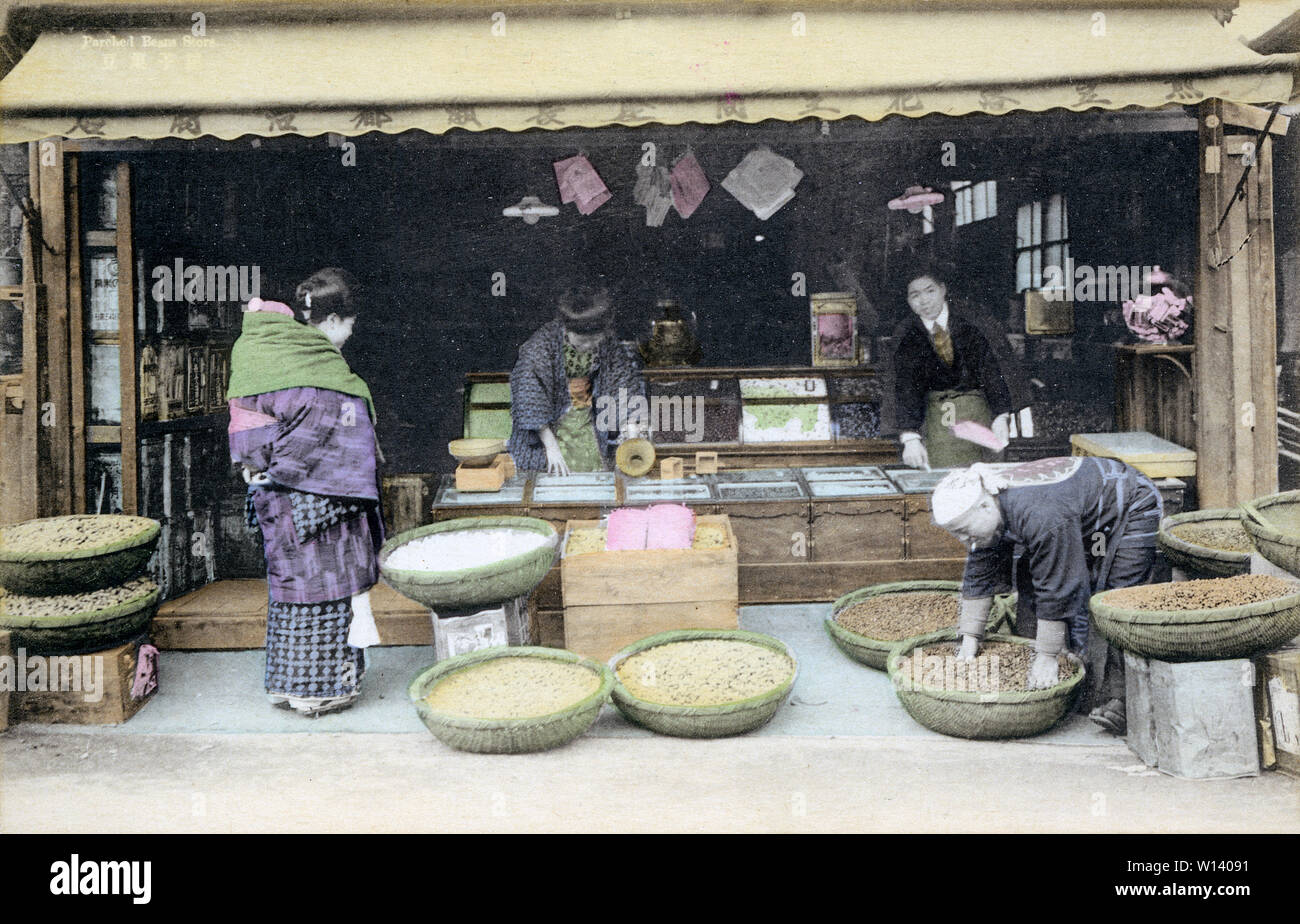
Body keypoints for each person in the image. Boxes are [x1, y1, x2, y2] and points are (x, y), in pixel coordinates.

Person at [226, 268, 385, 717]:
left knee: (289, 586)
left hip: (271, 490)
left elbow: (250, 420)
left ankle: (285, 683)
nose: (351, 334)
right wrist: (285, 471)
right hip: (318, 498)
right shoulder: (319, 367)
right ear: (333, 320)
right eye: (350, 324)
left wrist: (262, 472)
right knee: (326, 589)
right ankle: (319, 689)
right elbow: (319, 429)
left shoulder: (269, 353)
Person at [930, 456, 1162, 735]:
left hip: (1130, 501)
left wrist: (1047, 654)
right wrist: (970, 638)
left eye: (965, 532)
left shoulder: (1039, 513)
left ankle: (1120, 699)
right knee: (1033, 575)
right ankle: (1067, 666)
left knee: (1118, 600)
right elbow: (979, 571)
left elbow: (1058, 585)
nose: (965, 541)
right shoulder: (991, 506)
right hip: (1076, 509)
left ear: (983, 505)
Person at [507, 283, 645, 474]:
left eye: (594, 340)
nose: (589, 345)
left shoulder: (609, 345)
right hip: (547, 431)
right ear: (566, 330)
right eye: (582, 341)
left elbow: (624, 385)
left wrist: (631, 430)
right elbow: (529, 397)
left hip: (588, 424)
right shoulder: (540, 346)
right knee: (550, 475)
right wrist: (551, 448)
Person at [893, 262, 1017, 469]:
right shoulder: (907, 336)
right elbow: (905, 388)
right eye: (915, 295)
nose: (924, 301)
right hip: (940, 422)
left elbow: (993, 372)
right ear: (908, 301)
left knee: (990, 479)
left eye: (930, 291)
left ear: (943, 290)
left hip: (982, 418)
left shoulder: (974, 324)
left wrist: (1001, 416)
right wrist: (910, 438)